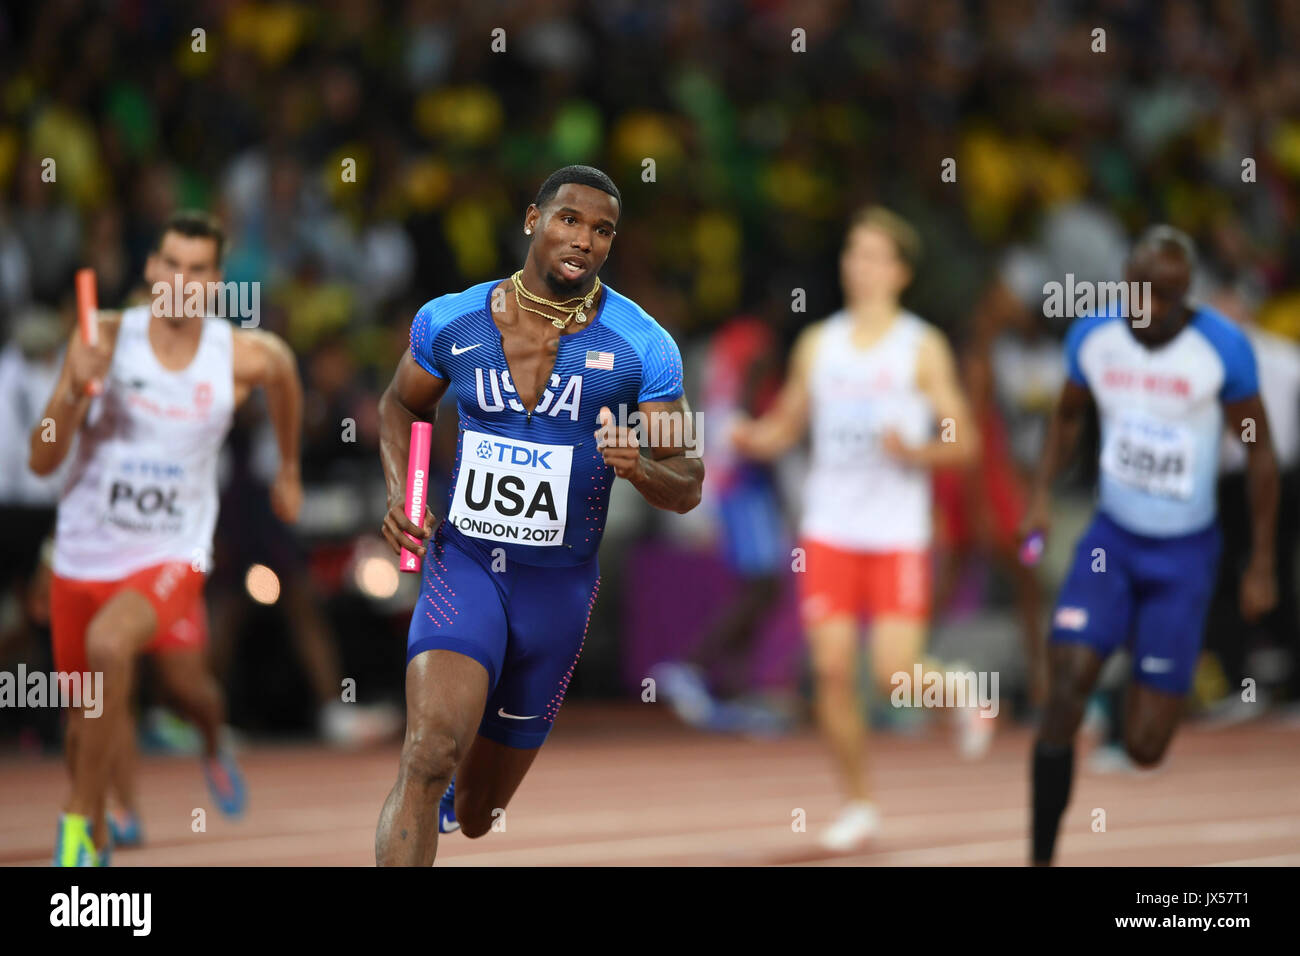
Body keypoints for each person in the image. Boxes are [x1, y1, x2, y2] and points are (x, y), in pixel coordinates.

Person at [373, 165, 703, 866]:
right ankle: (429, 779)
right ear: (533, 221)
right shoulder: (452, 320)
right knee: (428, 750)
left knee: (478, 812)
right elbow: (402, 404)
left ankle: (454, 795)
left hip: (557, 593)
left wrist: (639, 466)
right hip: (464, 568)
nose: (583, 240)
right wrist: (408, 496)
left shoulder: (643, 347)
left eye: (602, 230)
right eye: (569, 220)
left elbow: (689, 481)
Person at [30, 210, 305, 866]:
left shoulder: (238, 354)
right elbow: (43, 459)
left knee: (147, 666)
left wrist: (289, 467)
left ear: (217, 282)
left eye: (198, 269)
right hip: (82, 556)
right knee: (86, 721)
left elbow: (285, 373)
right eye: (171, 265)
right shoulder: (102, 338)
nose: (181, 280)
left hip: (171, 554)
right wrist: (73, 386)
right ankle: (102, 817)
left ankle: (82, 830)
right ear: (152, 269)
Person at [1024, 226, 1278, 866]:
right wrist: (1039, 499)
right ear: (1125, 284)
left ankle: (1148, 656)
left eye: (1169, 298)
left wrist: (1262, 561)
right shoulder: (1095, 336)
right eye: (1143, 293)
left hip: (1184, 554)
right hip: (1112, 538)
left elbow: (1260, 453)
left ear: (1188, 296)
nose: (1153, 310)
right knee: (1066, 685)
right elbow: (1068, 416)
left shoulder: (1221, 350)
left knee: (1145, 747)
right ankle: (1040, 857)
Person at [732, 206, 981, 851]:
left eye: (872, 256)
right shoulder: (821, 343)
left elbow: (964, 439)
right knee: (834, 670)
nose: (858, 267)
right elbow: (786, 424)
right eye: (851, 253)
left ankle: (956, 689)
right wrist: (744, 437)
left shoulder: (920, 347)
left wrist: (919, 452)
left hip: (897, 532)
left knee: (895, 676)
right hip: (830, 528)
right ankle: (859, 804)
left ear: (899, 272)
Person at [651, 312, 790, 734]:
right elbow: (749, 408)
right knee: (765, 585)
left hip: (729, 474)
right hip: (743, 478)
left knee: (758, 587)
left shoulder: (728, 340)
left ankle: (736, 689)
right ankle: (689, 668)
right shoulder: (759, 342)